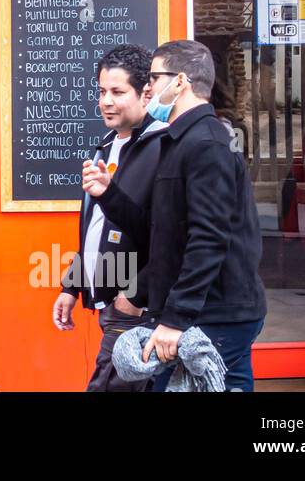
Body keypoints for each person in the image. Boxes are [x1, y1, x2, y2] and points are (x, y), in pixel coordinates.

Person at [90, 39, 266, 392]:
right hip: (203, 314)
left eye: (155, 78)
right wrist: (109, 195)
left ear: (181, 81)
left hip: (216, 315)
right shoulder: (180, 140)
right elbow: (161, 232)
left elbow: (208, 239)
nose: (150, 86)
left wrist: (176, 319)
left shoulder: (206, 144)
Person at [55, 44, 166, 391]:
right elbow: (98, 227)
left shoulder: (163, 147)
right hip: (113, 303)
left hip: (136, 309)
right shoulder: (105, 145)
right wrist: (73, 285)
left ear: (145, 93)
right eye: (102, 91)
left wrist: (132, 296)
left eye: (118, 92)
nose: (106, 101)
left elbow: (165, 237)